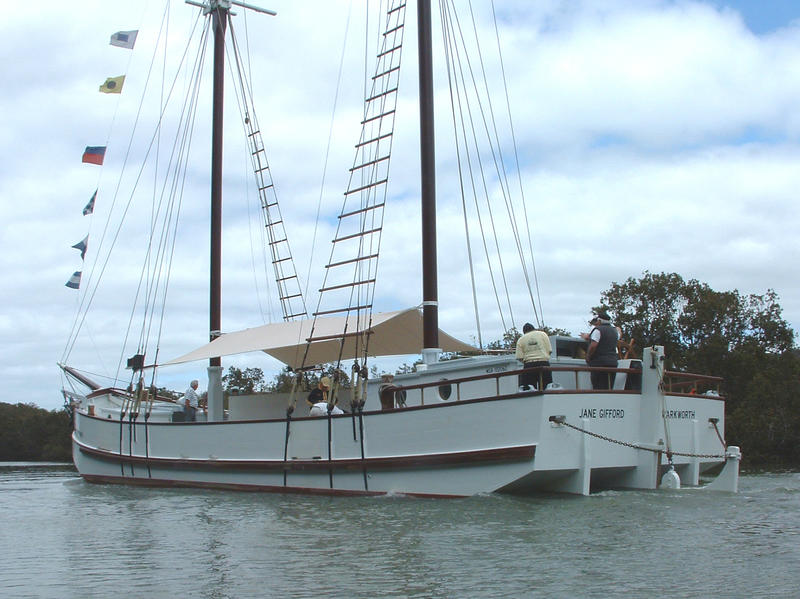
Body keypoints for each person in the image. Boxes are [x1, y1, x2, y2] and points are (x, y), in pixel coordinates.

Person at [582, 311, 619, 390]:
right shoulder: (615, 331)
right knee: (609, 387)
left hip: (599, 363)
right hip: (613, 362)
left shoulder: (598, 330)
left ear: (599, 321)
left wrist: (588, 356)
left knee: (598, 387)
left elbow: (593, 345)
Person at [515, 322, 552, 390]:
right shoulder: (543, 334)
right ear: (534, 329)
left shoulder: (521, 339)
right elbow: (549, 350)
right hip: (544, 363)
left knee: (529, 389)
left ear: (524, 332)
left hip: (529, 365)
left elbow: (519, 357)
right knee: (547, 388)